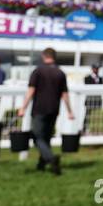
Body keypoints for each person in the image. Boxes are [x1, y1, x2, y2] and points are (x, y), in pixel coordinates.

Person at [18, 47, 73, 175]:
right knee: (46, 137)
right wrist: (70, 111)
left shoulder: (38, 71)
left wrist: (23, 108)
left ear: (44, 56)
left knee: (37, 137)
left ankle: (51, 158)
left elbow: (31, 91)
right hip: (54, 109)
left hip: (40, 108)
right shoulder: (60, 73)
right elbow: (65, 94)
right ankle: (41, 165)